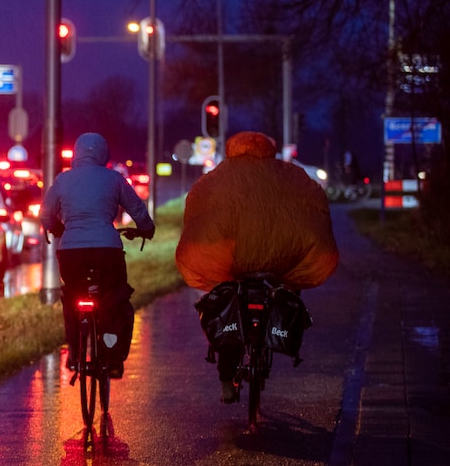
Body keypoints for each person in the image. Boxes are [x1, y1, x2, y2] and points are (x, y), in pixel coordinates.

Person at [175, 131, 339, 403]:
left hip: (236, 260)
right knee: (288, 288)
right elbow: (313, 204)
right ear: (268, 149)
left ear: (234, 149)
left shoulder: (219, 177)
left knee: (231, 315)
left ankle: (227, 381)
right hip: (278, 259)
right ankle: (279, 332)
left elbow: (197, 209)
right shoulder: (289, 175)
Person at [40, 132, 155, 378]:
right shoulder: (114, 179)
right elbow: (137, 209)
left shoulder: (63, 180)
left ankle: (74, 352)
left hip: (71, 253)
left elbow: (46, 214)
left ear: (77, 154)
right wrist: (146, 228)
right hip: (107, 251)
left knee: (72, 296)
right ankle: (112, 358)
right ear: (104, 154)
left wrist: (58, 229)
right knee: (114, 297)